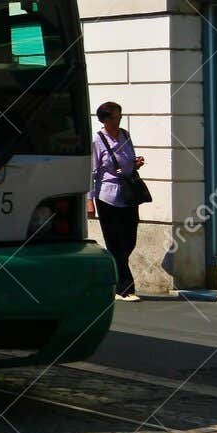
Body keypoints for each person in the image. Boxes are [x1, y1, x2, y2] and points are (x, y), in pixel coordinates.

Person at [88, 100, 145, 301]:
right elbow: (91, 172)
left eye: (120, 116)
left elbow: (128, 161)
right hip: (107, 196)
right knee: (115, 242)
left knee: (129, 240)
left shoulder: (126, 136)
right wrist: (90, 200)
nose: (118, 120)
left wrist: (135, 163)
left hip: (128, 195)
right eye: (114, 117)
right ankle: (125, 288)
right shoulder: (97, 140)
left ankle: (111, 279)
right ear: (104, 120)